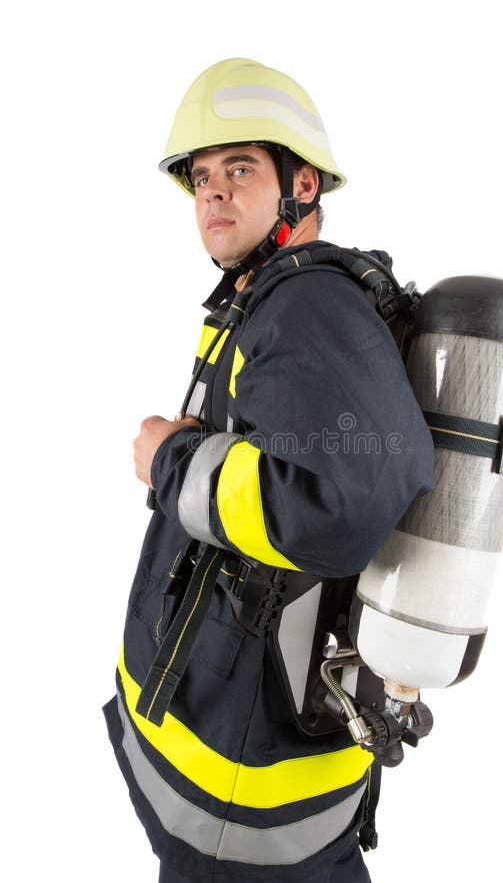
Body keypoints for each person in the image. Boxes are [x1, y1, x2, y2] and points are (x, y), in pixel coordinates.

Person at [104, 57, 434, 883]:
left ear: (303, 184)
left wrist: (169, 460)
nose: (212, 192)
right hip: (228, 764)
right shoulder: (265, 298)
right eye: (201, 177)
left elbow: (339, 500)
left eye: (240, 168)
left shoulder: (308, 304)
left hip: (241, 808)